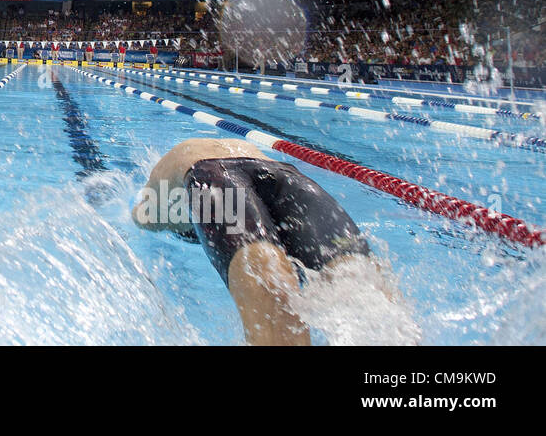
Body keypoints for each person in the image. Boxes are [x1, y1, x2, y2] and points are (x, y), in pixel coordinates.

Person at [132, 137, 382, 346]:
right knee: (362, 291)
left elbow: (144, 219)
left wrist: (188, 228)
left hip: (214, 175)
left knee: (274, 291)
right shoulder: (228, 146)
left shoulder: (165, 175)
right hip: (291, 179)